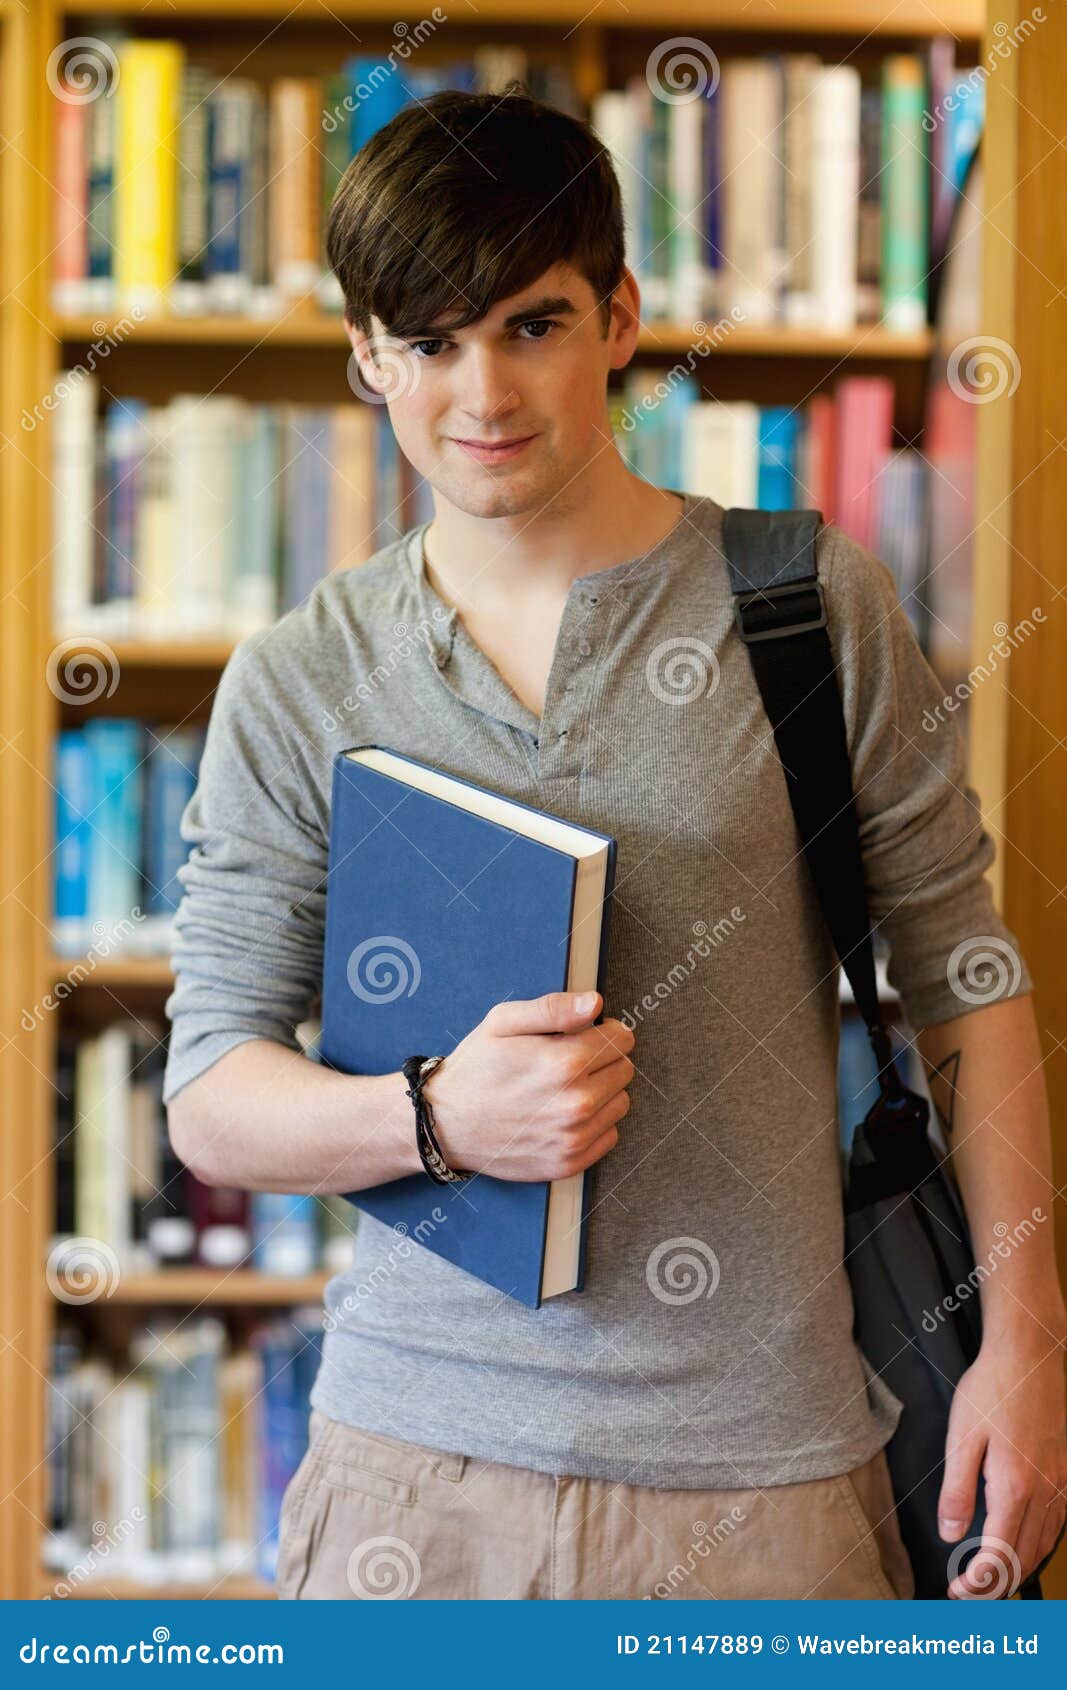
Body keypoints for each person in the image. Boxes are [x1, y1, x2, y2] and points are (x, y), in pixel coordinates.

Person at [163, 87, 1066, 1601]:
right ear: (366, 356)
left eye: (532, 324)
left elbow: (968, 974)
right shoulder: (300, 676)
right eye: (430, 341)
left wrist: (1029, 1345)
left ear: (620, 318)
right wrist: (439, 1117)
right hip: (412, 1482)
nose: (484, 392)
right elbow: (212, 1094)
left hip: (770, 1481)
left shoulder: (805, 606)